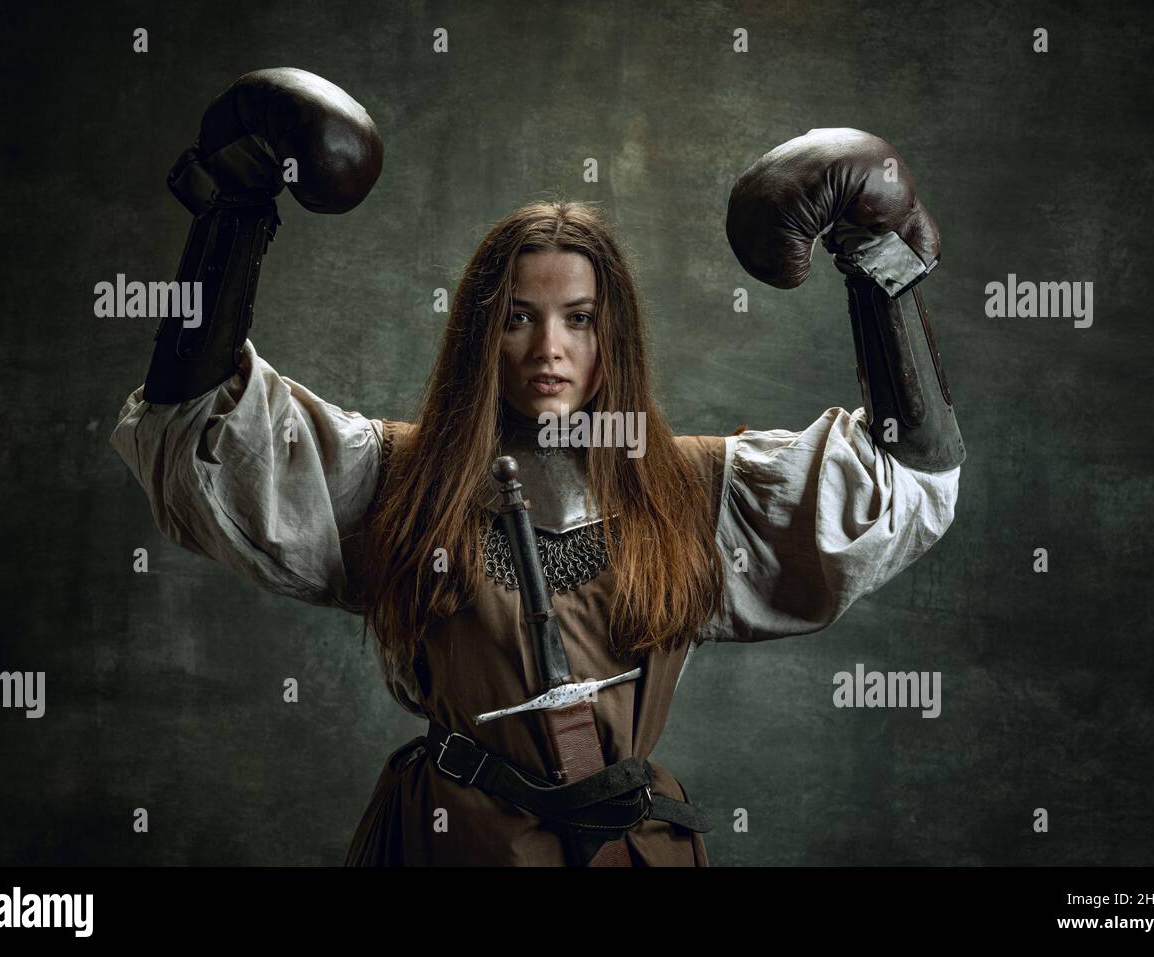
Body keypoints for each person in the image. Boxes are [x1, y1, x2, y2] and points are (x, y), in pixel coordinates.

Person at [112, 69, 964, 866]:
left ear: (611, 336)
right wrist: (233, 208)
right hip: (451, 842)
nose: (549, 349)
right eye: (519, 317)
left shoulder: (696, 493)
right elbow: (195, 435)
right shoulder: (401, 480)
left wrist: (877, 261)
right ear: (484, 332)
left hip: (630, 850)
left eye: (580, 319)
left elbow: (910, 483)